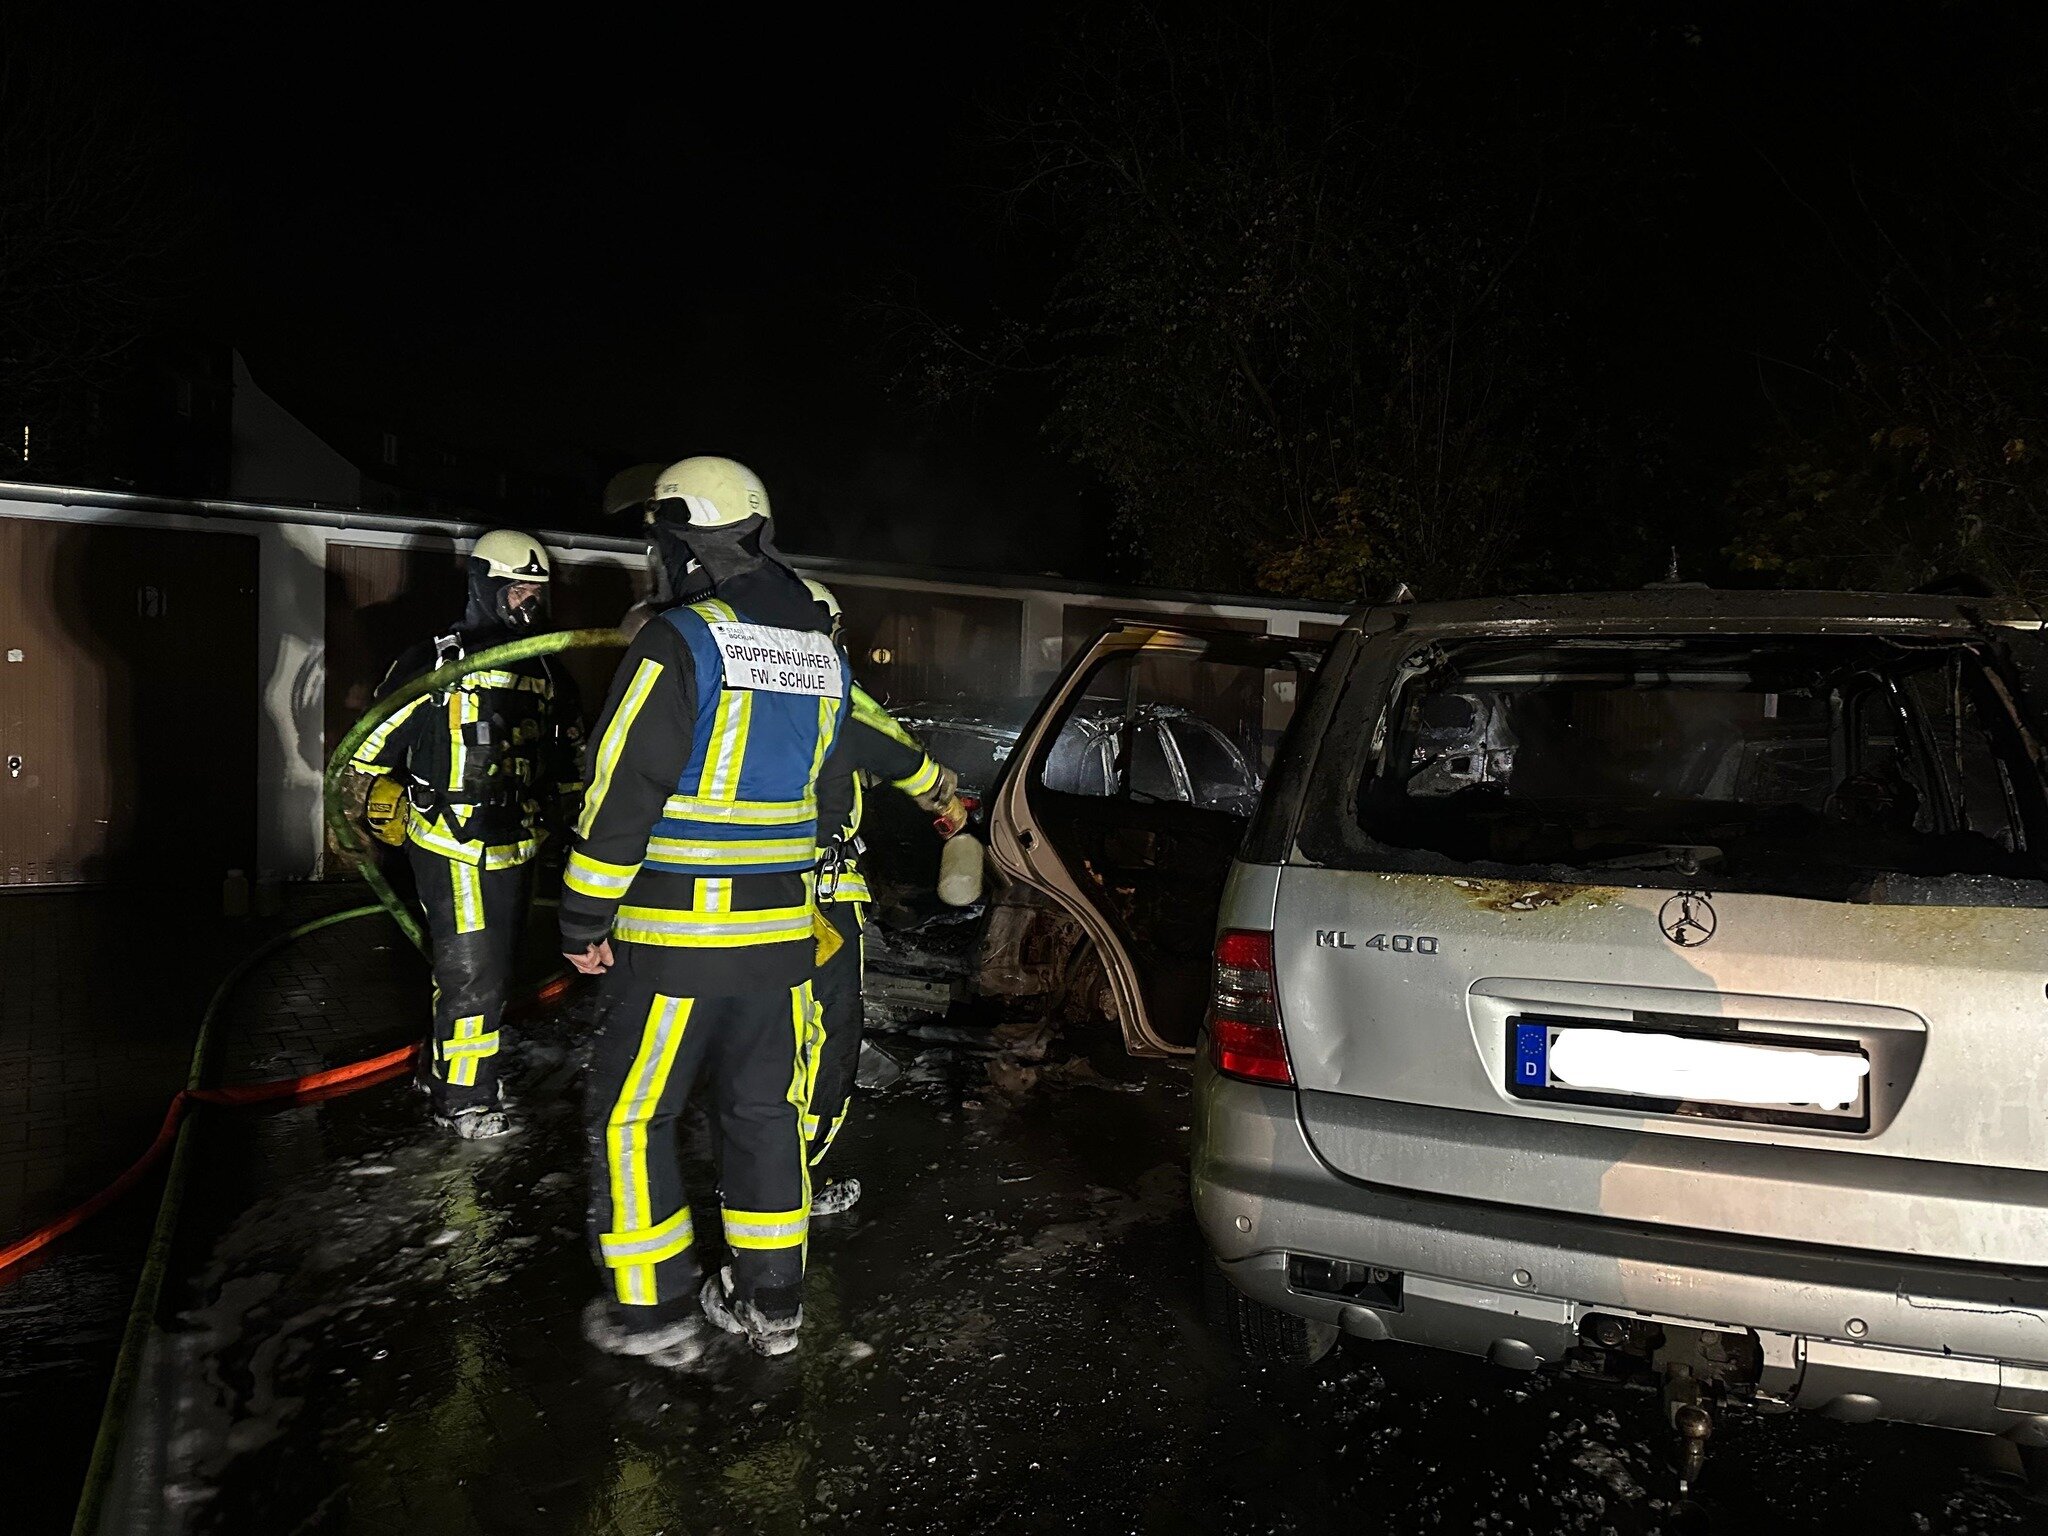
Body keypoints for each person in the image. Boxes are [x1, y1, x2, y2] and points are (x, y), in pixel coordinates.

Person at [560, 456, 848, 1358]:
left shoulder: (679, 640)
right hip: (781, 943)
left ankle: (654, 1310)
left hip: (676, 940)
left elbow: (621, 792)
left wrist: (582, 920)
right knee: (764, 1115)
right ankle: (772, 1304)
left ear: (682, 540)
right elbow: (828, 792)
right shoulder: (821, 650)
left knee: (633, 1117)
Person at [348, 530, 584, 1139]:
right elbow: (371, 746)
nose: (528, 601)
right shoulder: (438, 664)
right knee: (473, 973)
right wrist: (373, 800)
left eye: (536, 590)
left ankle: (448, 1070)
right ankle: (464, 1100)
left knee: (496, 969)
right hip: (453, 842)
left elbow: (566, 756)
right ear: (484, 586)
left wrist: (568, 817)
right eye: (516, 588)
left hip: (520, 842)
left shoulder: (546, 669)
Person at [799, 579, 964, 1216]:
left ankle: (758, 1176)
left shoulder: (739, 698)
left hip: (747, 893)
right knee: (830, 1034)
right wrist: (941, 794)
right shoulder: (824, 698)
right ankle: (797, 1178)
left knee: (763, 1038)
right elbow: (891, 752)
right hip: (817, 901)